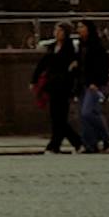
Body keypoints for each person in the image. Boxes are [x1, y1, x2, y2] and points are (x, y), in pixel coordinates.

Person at [31, 21, 81, 153]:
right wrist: (34, 79)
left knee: (60, 117)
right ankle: (63, 143)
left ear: (66, 33)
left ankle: (58, 144)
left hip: (64, 86)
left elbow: (76, 64)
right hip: (53, 85)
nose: (56, 33)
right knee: (56, 117)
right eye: (56, 30)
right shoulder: (52, 47)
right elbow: (43, 64)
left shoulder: (70, 48)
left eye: (60, 31)